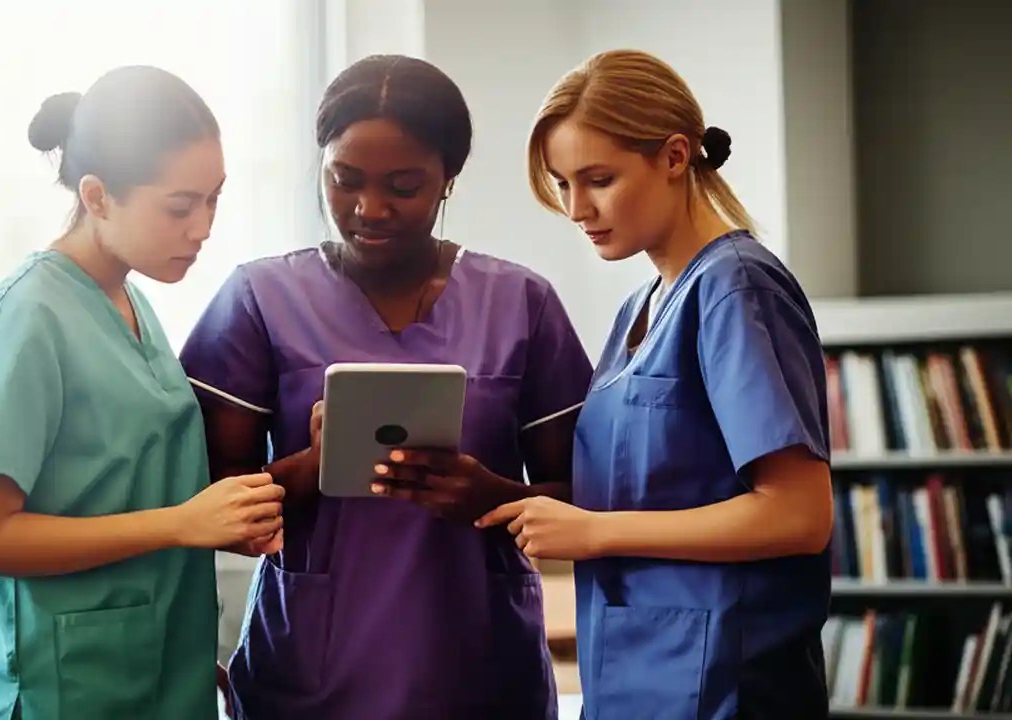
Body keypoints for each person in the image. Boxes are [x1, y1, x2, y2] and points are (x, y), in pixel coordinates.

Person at [180, 54, 592, 719]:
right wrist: (311, 468)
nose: (369, 208)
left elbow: (583, 495)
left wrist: (492, 497)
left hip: (479, 669)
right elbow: (201, 504)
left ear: (448, 180)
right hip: (313, 671)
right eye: (344, 180)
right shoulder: (259, 300)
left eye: (404, 185)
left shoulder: (521, 304)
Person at [478, 49, 834, 719]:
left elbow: (798, 514)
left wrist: (598, 534)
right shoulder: (638, 308)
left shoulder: (735, 287)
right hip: (638, 675)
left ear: (674, 157)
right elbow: (633, 487)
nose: (577, 208)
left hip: (729, 681)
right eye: (561, 184)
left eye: (599, 179)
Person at [0, 66, 285, 720]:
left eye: (215, 199)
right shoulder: (28, 318)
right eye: (181, 207)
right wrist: (184, 525)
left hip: (146, 677)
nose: (203, 228)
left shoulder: (132, 304)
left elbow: (132, 487)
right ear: (97, 196)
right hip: (52, 689)